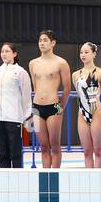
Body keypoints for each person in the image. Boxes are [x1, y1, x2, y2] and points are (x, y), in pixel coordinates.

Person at [29, 30, 70, 169]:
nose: (42, 43)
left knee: (54, 144)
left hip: (54, 107)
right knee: (43, 145)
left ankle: (55, 176)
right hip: (36, 107)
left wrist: (61, 107)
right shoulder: (33, 63)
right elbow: (35, 87)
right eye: (40, 40)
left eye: (45, 40)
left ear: (53, 43)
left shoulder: (61, 63)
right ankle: (45, 175)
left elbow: (67, 88)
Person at [0, 42, 32, 168]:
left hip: (14, 118)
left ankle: (18, 180)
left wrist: (25, 117)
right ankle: (3, 180)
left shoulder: (20, 72)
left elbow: (26, 95)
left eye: (7, 51)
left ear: (14, 54)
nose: (4, 54)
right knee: (1, 152)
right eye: (2, 51)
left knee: (15, 152)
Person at [75, 42, 101, 169]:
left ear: (94, 54)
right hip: (82, 113)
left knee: (98, 150)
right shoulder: (76, 75)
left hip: (97, 113)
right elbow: (80, 96)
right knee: (86, 151)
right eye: (81, 52)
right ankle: (88, 180)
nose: (83, 55)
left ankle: (98, 180)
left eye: (86, 52)